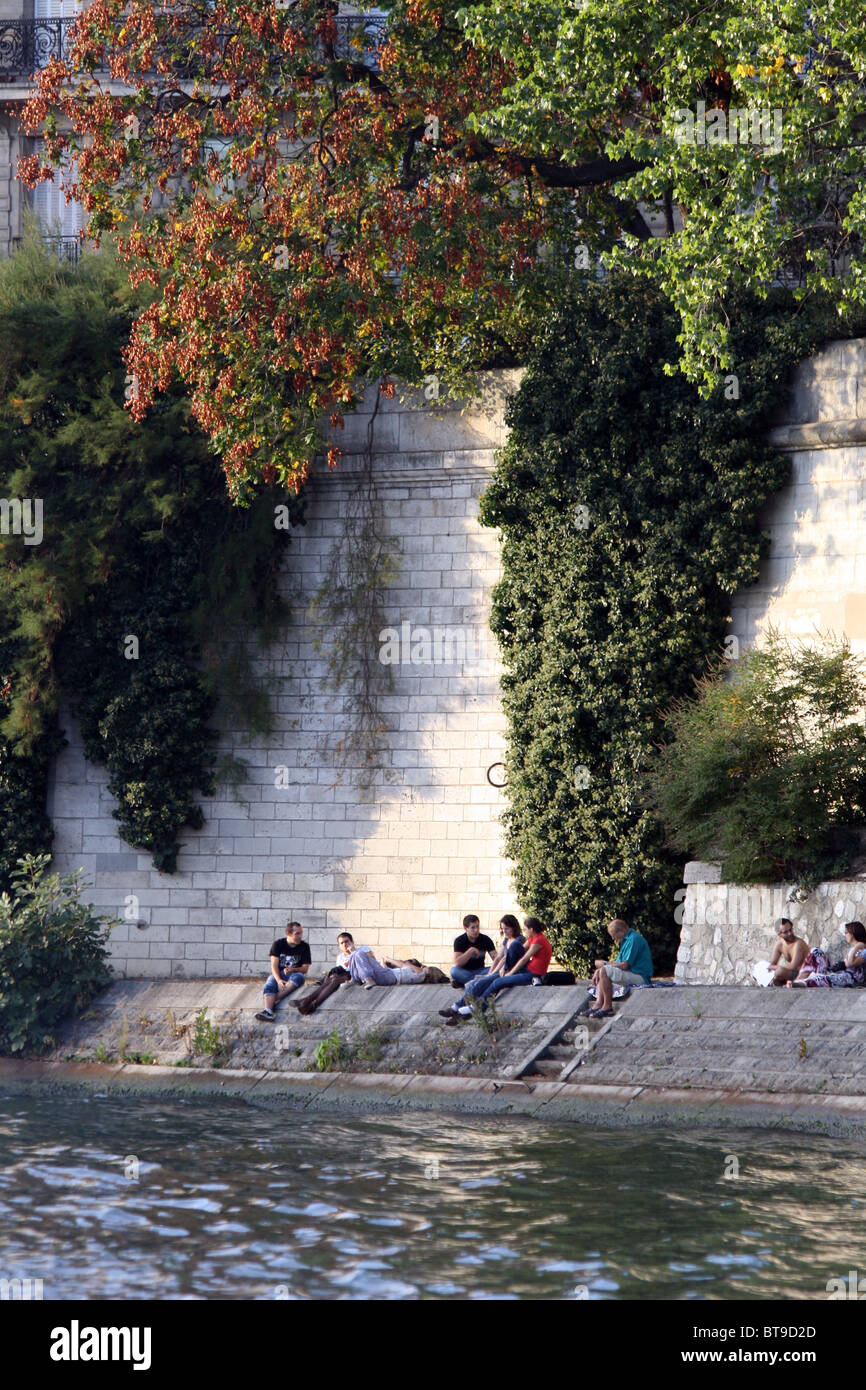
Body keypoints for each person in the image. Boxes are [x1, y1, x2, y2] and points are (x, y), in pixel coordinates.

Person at [440, 917, 551, 1024]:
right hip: (522, 969)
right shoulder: (532, 938)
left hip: (532, 974)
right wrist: (501, 970)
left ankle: (476, 1008)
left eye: (526, 929)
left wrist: (510, 973)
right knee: (484, 981)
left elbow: (524, 959)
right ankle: (456, 1008)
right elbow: (510, 954)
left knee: (497, 982)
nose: (525, 932)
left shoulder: (539, 940)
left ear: (531, 929)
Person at [590, 919, 653, 1018]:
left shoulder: (633, 939)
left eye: (613, 935)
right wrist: (601, 969)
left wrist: (605, 964)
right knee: (601, 972)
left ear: (621, 931)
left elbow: (624, 965)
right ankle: (598, 1005)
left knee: (604, 970)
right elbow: (617, 964)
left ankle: (607, 1007)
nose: (613, 938)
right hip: (631, 973)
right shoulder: (626, 940)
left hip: (640, 977)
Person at [256, 921, 311, 1021]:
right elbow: (274, 965)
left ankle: (272, 1000)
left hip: (294, 974)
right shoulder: (278, 944)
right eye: (297, 934)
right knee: (270, 981)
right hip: (280, 974)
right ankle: (268, 1011)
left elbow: (305, 969)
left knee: (299, 977)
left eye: (301, 933)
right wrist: (278, 980)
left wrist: (293, 969)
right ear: (288, 934)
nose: (300, 936)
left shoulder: (304, 946)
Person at [291, 932, 353, 1016]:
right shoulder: (340, 957)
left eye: (347, 941)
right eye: (342, 943)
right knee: (329, 979)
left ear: (352, 942)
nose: (345, 944)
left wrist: (353, 951)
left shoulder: (358, 952)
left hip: (354, 974)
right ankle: (307, 1000)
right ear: (339, 946)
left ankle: (313, 1003)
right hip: (341, 976)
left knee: (334, 979)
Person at [793, 921, 866, 988]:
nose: (845, 934)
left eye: (846, 932)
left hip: (849, 978)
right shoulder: (856, 949)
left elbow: (850, 964)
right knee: (816, 951)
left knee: (820, 978)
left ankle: (798, 984)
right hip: (838, 973)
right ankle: (799, 979)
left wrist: (859, 945)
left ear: (853, 933)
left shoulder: (863, 951)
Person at [450, 914, 496, 987]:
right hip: (465, 971)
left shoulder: (486, 939)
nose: (476, 930)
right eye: (473, 928)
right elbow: (457, 963)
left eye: (477, 926)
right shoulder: (459, 940)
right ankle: (478, 982)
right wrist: (470, 951)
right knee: (454, 971)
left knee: (496, 970)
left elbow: (496, 958)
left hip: (481, 971)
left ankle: (467, 982)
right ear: (466, 928)